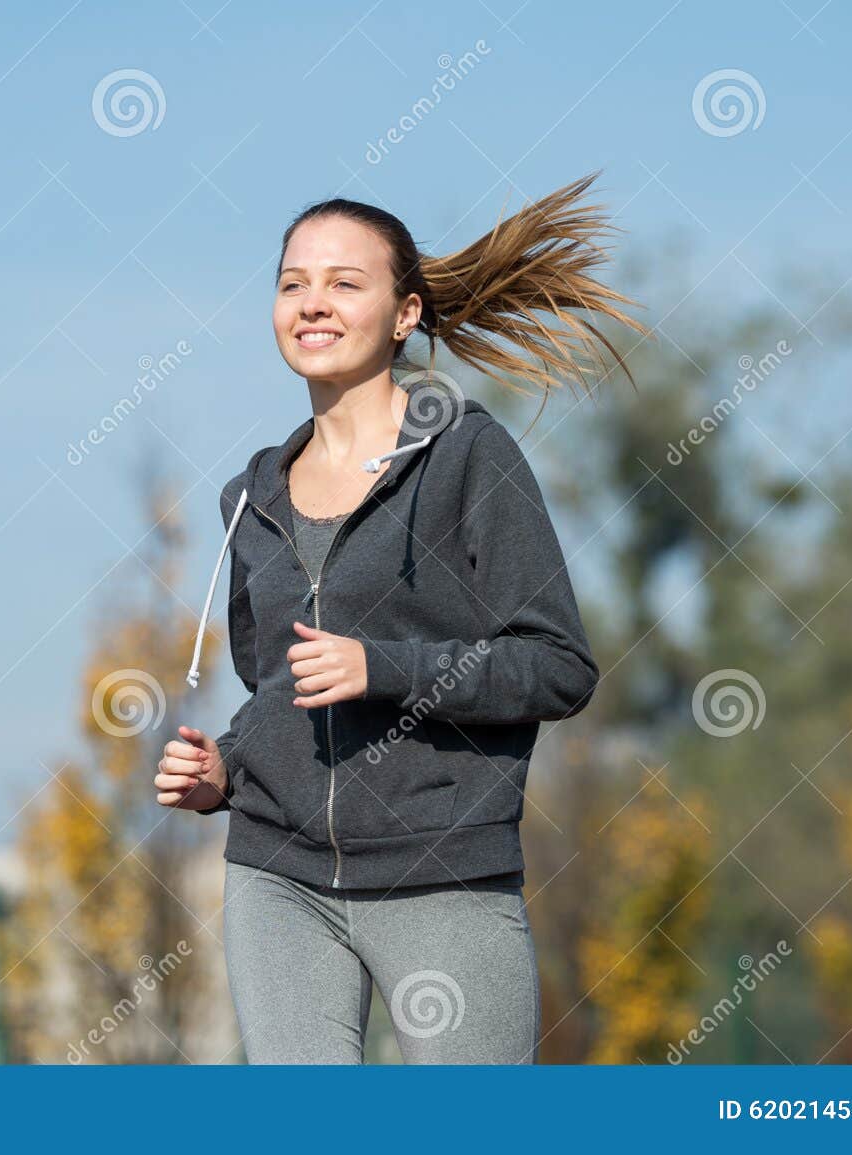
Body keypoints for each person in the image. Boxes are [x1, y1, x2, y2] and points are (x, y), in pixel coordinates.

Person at [157, 174, 641, 1063]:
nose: (312, 303)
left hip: (441, 871)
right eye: (293, 283)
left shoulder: (467, 455)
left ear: (405, 313)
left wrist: (384, 668)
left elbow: (558, 664)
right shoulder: (249, 499)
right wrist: (224, 770)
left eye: (345, 283)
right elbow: (277, 694)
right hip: (277, 879)